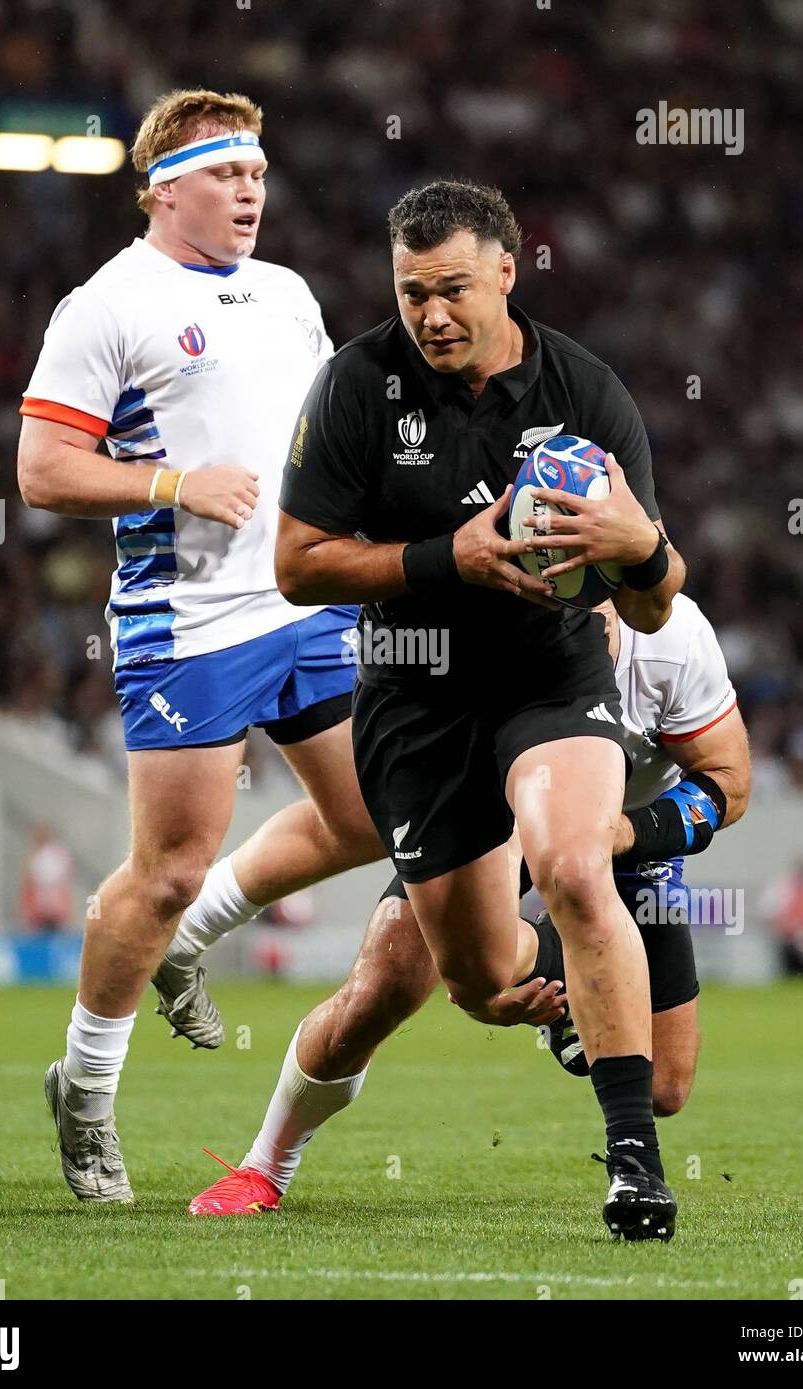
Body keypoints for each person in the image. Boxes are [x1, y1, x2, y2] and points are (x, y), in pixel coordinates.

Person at [269, 178, 686, 1239]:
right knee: (474, 977)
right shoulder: (356, 385)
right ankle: (544, 979)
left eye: (451, 288)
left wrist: (634, 545)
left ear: (507, 270)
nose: (432, 315)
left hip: (550, 678)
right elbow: (296, 566)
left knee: (575, 862)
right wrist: (441, 557)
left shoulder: (586, 395)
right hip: (415, 703)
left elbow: (645, 606)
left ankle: (632, 1162)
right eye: (412, 294)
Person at [17, 89, 385, 1205]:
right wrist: (173, 482)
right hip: (188, 624)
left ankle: (196, 936)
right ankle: (83, 1092)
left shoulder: (284, 294)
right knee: (166, 867)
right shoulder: (106, 306)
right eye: (229, 175)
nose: (250, 193)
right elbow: (40, 471)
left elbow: (319, 435)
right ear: (164, 185)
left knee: (372, 816)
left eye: (260, 175)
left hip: (301, 600)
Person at [186, 594, 750, 1228]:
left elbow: (729, 782)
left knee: (663, 1087)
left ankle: (553, 970)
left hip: (630, 839)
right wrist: (477, 979)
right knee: (386, 980)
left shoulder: (674, 638)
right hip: (494, 821)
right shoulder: (494, 627)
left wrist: (622, 833)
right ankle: (263, 1166)